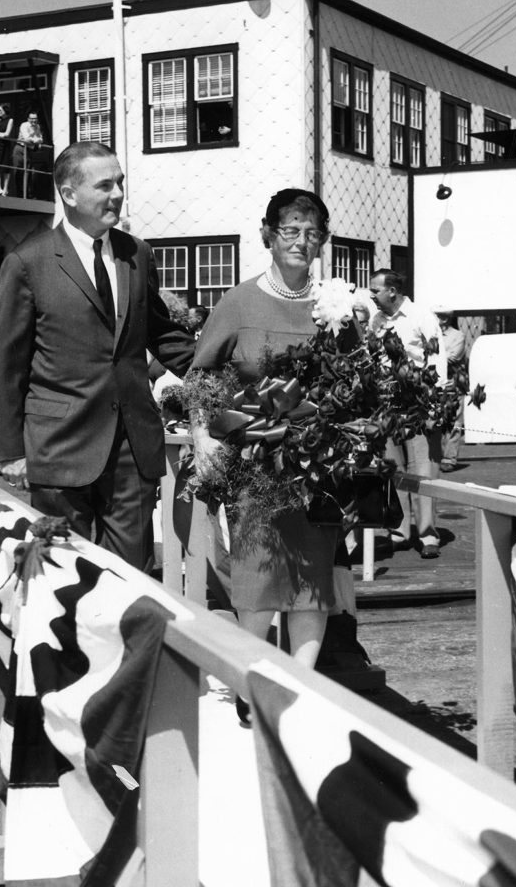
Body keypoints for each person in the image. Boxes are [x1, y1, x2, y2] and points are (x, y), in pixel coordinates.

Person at [0, 141, 195, 571]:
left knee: (132, 575)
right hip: (59, 449)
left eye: (120, 183)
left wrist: (220, 371)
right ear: (69, 194)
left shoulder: (137, 253)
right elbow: (6, 365)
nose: (117, 194)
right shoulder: (28, 262)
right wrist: (9, 452)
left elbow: (160, 330)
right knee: (64, 576)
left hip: (131, 448)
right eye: (104, 185)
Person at [190, 189, 342, 689]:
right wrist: (202, 436)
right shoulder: (239, 300)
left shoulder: (333, 306)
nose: (302, 241)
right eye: (291, 230)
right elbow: (203, 374)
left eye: (312, 233)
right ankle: (248, 681)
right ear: (268, 236)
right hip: (253, 461)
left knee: (312, 575)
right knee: (256, 570)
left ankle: (299, 687)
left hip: (316, 466)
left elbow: (351, 384)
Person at [369, 269, 447, 559]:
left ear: (392, 291)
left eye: (375, 290)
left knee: (422, 471)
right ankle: (400, 532)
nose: (371, 296)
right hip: (386, 406)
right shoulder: (377, 321)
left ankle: (428, 535)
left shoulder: (422, 317)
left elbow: (437, 361)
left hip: (417, 404)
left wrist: (433, 406)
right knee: (393, 469)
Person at [435, 309, 467, 471]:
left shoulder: (458, 336)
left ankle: (449, 458)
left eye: (441, 316)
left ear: (447, 319)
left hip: (452, 385)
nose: (439, 319)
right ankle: (438, 456)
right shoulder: (430, 334)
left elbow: (453, 357)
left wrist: (432, 356)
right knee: (437, 422)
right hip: (435, 384)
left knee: (454, 422)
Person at [12, 111, 43, 198]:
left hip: (29, 150)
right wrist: (36, 140)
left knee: (28, 173)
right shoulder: (24, 125)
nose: (33, 121)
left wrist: (36, 140)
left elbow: (41, 138)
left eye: (35, 119)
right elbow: (27, 138)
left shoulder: (37, 126)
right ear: (28, 119)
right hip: (20, 149)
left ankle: (28, 194)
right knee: (18, 172)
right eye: (32, 118)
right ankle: (19, 195)